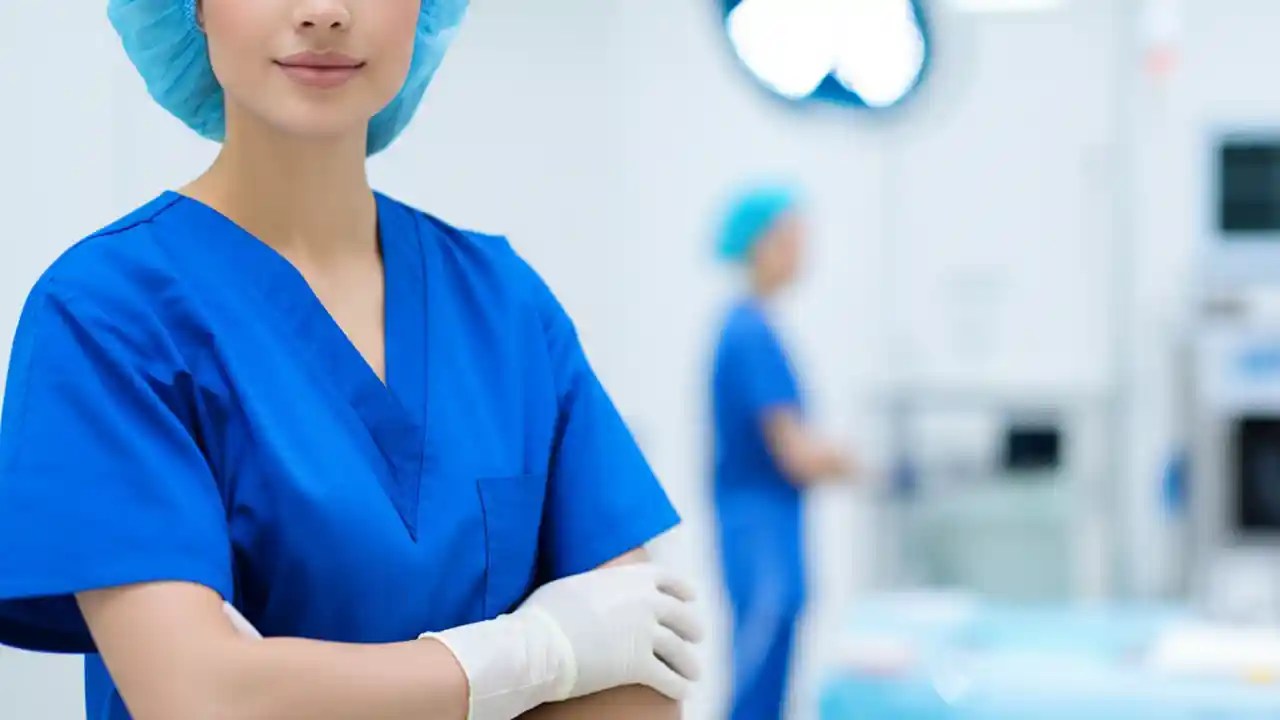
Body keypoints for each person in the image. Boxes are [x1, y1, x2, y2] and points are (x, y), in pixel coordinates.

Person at [0, 2, 702, 719]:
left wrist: (287, 685)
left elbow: (643, 671)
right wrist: (537, 654)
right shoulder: (107, 313)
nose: (325, 12)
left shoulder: (506, 306)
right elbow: (199, 697)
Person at [711, 185, 852, 720]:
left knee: (768, 682)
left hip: (767, 532)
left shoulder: (753, 328)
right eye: (793, 240)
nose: (802, 253)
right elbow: (796, 453)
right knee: (758, 681)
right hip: (761, 536)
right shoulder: (749, 334)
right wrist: (855, 463)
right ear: (762, 245)